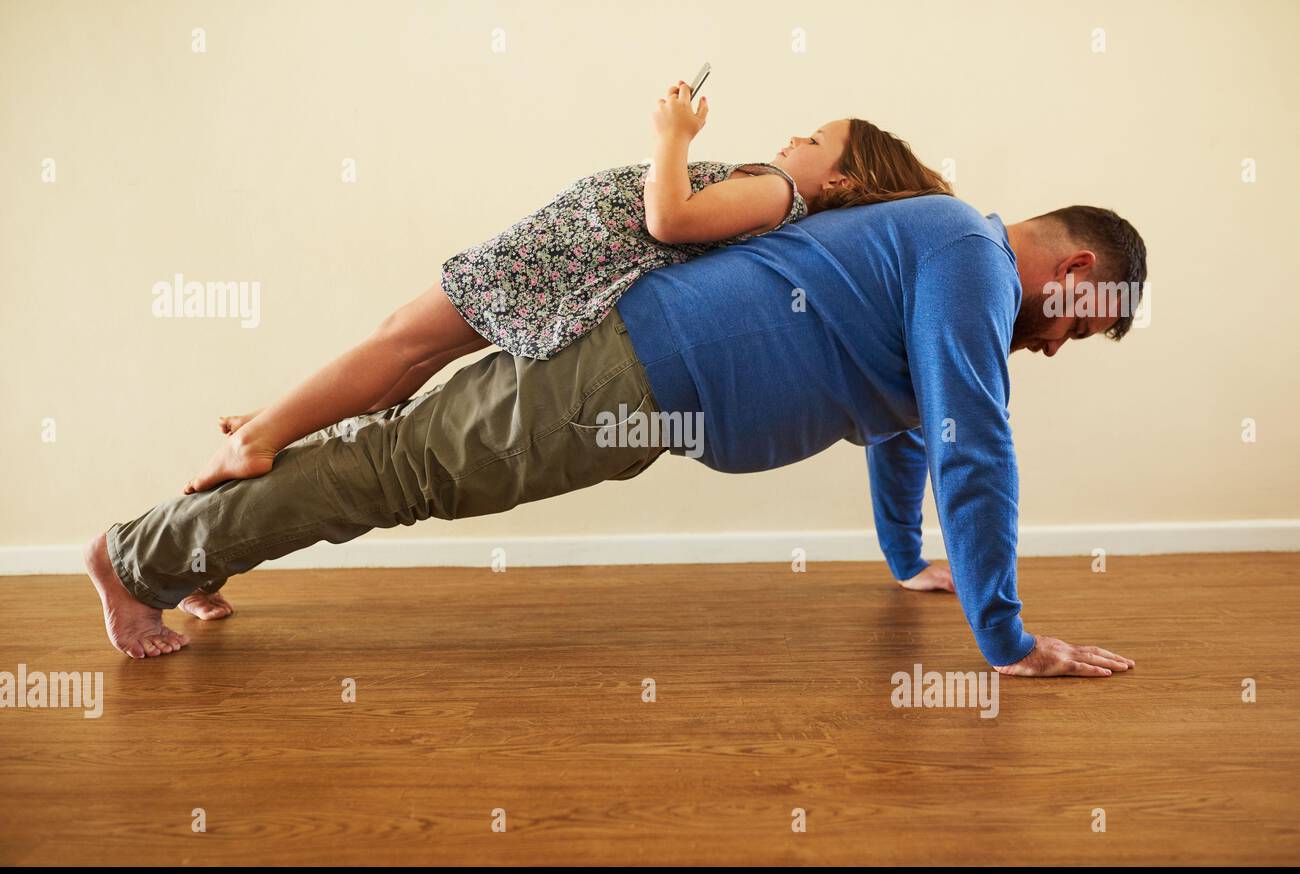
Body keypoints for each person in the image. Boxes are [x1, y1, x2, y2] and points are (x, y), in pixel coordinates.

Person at [87, 193, 1145, 680]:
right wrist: (1004, 639)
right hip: (625, 372)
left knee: (401, 459)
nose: (1053, 349)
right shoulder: (971, 254)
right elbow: (975, 440)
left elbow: (905, 427)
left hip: (638, 391)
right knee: (402, 468)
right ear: (1075, 274)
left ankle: (193, 551)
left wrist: (906, 555)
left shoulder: (946, 264)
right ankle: (136, 555)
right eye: (1075, 329)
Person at [181, 81, 951, 494]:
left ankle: (258, 437)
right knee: (408, 363)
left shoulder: (781, 190)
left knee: (401, 342)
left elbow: (672, 218)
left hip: (555, 261)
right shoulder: (785, 197)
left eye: (814, 140)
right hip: (567, 265)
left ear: (842, 177)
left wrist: (673, 135)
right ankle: (286, 420)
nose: (793, 140)